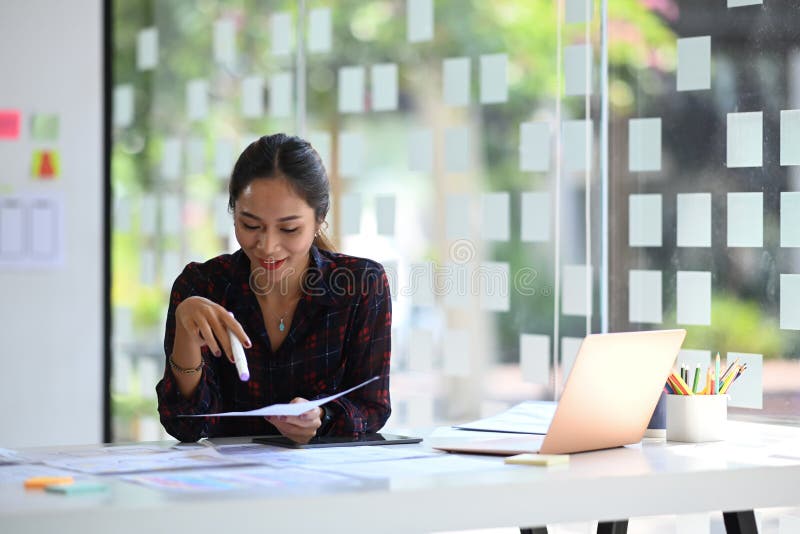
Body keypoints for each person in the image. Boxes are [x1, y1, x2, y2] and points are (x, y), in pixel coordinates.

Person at [156, 133, 391, 443]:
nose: (267, 246)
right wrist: (185, 334)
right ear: (233, 213)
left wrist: (321, 416)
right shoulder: (201, 287)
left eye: (289, 228)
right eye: (250, 225)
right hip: (229, 481)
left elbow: (373, 406)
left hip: (328, 482)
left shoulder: (361, 284)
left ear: (319, 219)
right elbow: (185, 425)